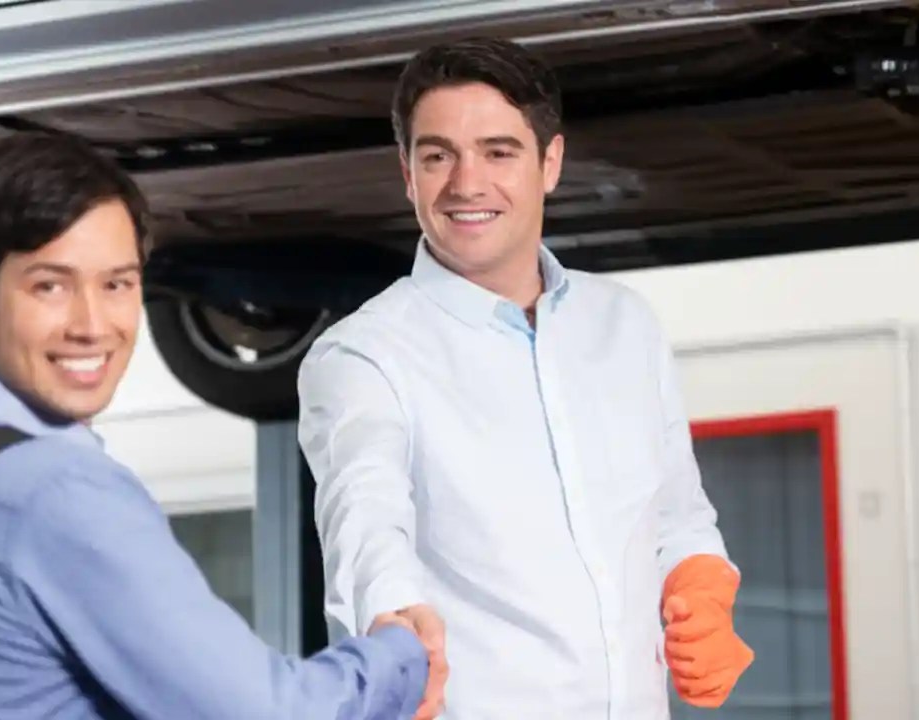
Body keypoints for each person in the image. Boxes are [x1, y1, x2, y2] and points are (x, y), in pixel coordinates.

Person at [0, 131, 445, 720]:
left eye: (117, 284)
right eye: (50, 286)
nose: (92, 325)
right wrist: (402, 655)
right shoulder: (56, 489)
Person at [297, 37, 754, 719]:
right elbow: (366, 523)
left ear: (551, 162)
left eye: (498, 151)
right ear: (407, 172)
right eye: (437, 156)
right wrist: (396, 623)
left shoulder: (625, 326)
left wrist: (703, 584)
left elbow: (677, 514)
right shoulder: (364, 356)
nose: (465, 183)